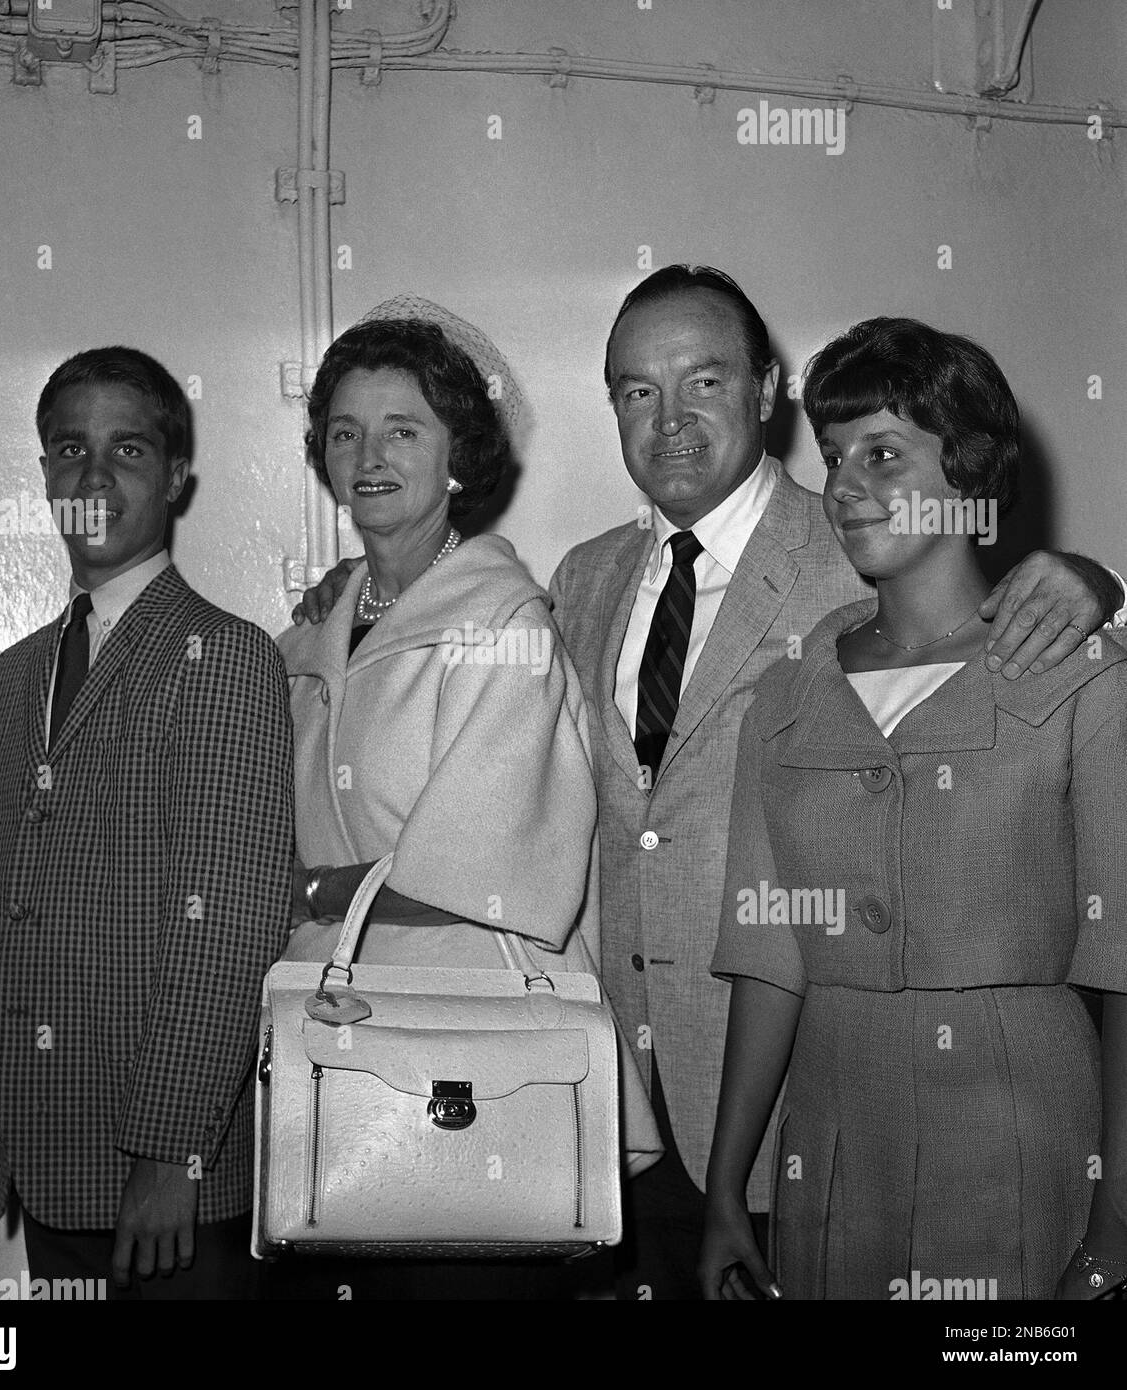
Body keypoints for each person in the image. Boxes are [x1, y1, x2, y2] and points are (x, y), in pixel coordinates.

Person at [293, 267, 1125, 1298]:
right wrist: (352, 595)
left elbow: (982, 612)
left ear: (767, 389)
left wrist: (1085, 578)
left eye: (702, 380)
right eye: (636, 391)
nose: (668, 418)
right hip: (616, 1102)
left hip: (815, 1107)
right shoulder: (583, 580)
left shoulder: (856, 538)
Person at [702, 317, 1126, 1301]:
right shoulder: (786, 693)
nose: (843, 482)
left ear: (968, 474)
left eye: (882, 453)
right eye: (833, 455)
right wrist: (727, 1186)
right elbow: (770, 958)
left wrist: (1114, 1226)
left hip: (1024, 1132)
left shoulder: (1083, 681)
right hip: (834, 1139)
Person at [0, 348, 294, 1299]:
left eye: (128, 449)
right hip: (52, 1164)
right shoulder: (22, 670)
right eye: (70, 450)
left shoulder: (221, 656)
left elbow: (226, 921)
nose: (94, 477)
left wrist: (169, 1151)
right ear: (48, 474)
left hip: (169, 1186)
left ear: (176, 475)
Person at [270, 298, 661, 1300]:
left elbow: (481, 874)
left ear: (457, 455)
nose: (368, 453)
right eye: (345, 431)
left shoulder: (502, 624)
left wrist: (303, 890)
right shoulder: (310, 632)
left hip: (470, 1060)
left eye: (403, 429)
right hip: (335, 1041)